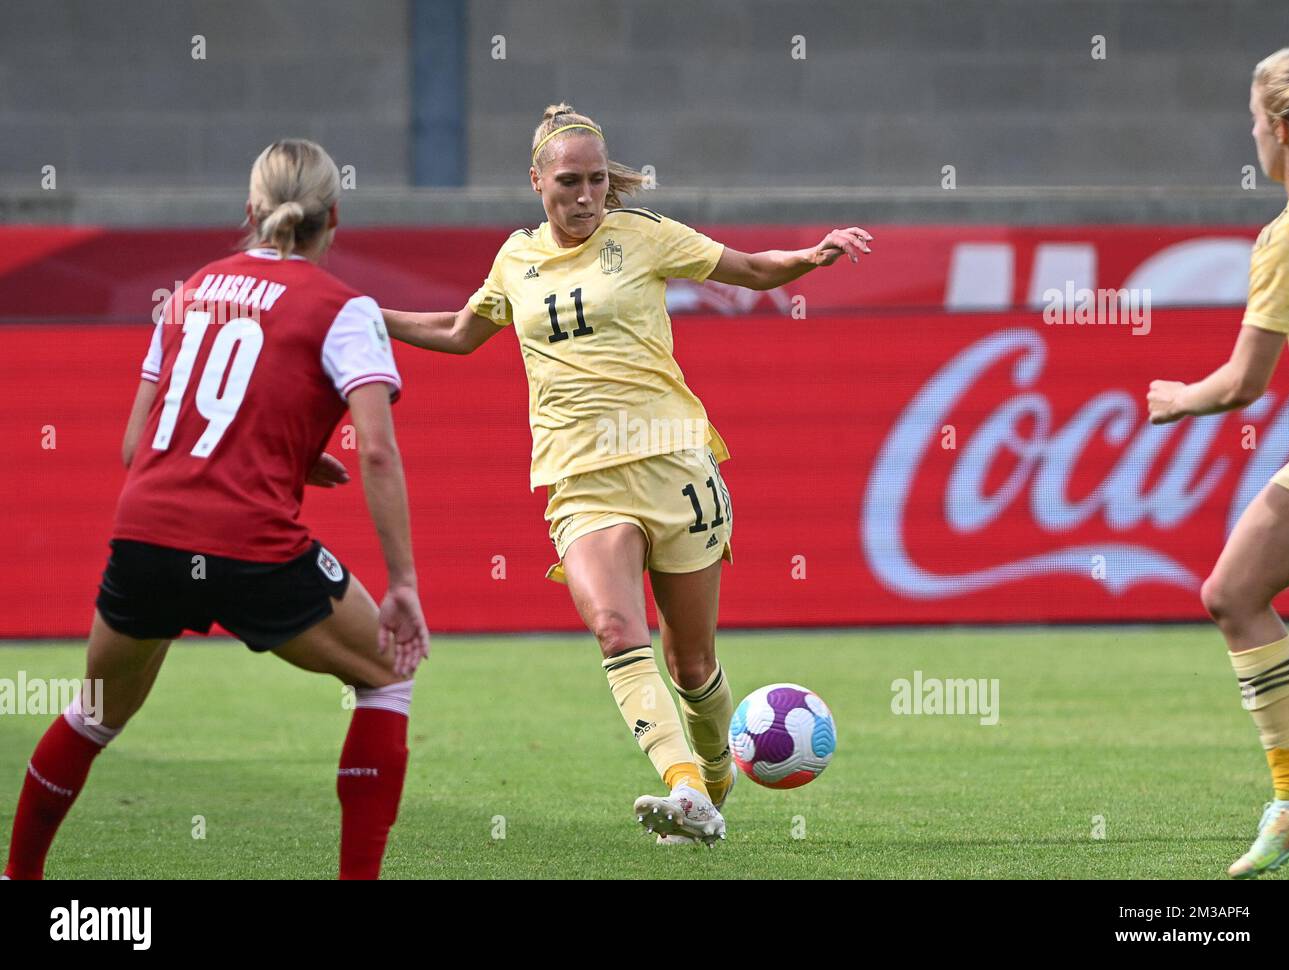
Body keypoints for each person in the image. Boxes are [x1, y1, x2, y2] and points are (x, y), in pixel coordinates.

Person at [383, 104, 869, 844]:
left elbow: (748, 269)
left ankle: (714, 775)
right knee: (616, 628)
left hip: (674, 462)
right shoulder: (515, 260)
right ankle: (683, 788)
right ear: (536, 181)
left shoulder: (641, 236)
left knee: (693, 661)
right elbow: (457, 332)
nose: (584, 197)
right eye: (569, 182)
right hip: (581, 480)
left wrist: (812, 256)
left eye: (597, 182)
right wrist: (365, 314)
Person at [2, 139, 428, 881]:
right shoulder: (346, 308)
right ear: (335, 217)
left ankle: (17, 877)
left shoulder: (192, 289)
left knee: (95, 714)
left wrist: (283, 455)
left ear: (249, 212)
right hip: (251, 543)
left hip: (146, 535)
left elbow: (138, 445)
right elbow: (379, 453)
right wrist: (404, 585)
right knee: (387, 675)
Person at [1147, 46, 1289, 878]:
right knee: (1233, 590)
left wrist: (1178, 399)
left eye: (1251, 121)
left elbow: (1245, 383)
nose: (1252, 136)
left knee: (1233, 594)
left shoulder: (1286, 236)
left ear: (1277, 129)